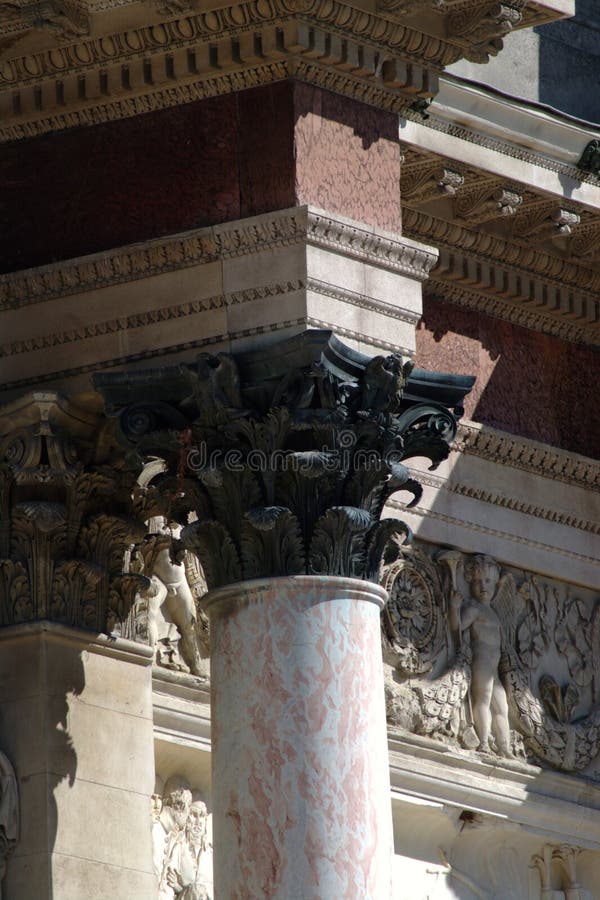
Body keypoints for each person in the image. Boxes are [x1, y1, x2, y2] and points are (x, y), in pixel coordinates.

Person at [449, 555, 511, 755]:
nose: (483, 586)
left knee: (502, 707)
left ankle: (504, 748)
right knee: (483, 699)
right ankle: (484, 742)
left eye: (488, 581)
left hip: (495, 667)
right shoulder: (474, 609)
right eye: (477, 582)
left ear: (495, 584)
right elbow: (457, 628)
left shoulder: (493, 613)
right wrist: (454, 607)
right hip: (482, 662)